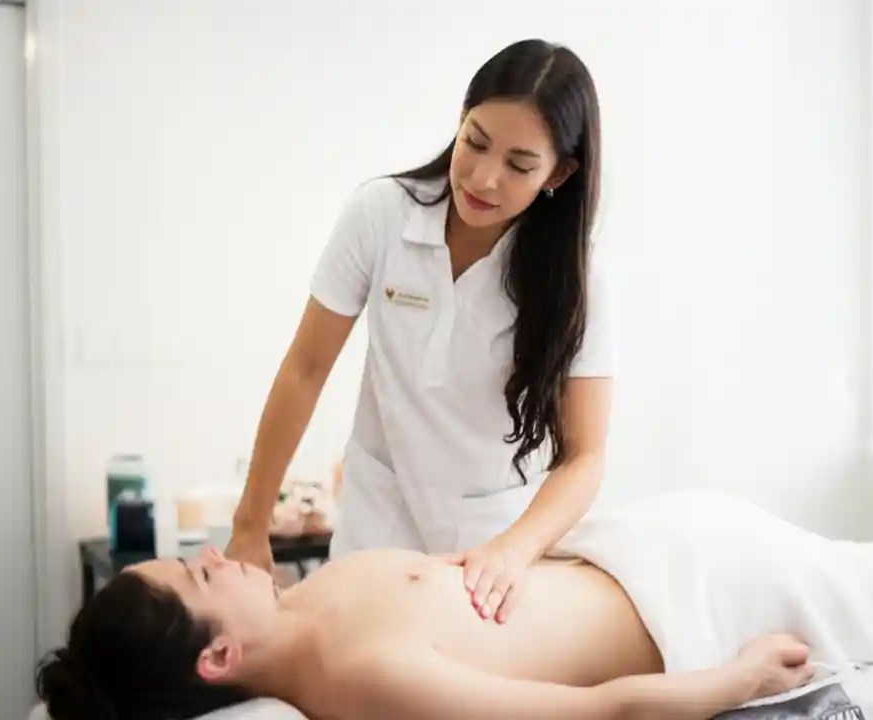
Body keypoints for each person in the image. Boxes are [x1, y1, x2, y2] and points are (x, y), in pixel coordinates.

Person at [36, 491, 873, 720]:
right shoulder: (355, 681)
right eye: (193, 578)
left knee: (869, 567)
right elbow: (589, 718)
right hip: (691, 605)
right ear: (215, 660)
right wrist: (732, 680)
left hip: (641, 545)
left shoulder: (331, 589)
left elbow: (479, 570)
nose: (213, 559)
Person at [225, 38, 614, 624]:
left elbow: (585, 456)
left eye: (519, 165)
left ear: (558, 172)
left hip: (491, 551)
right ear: (460, 120)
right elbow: (305, 370)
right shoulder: (381, 214)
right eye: (475, 142)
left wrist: (512, 552)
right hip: (375, 527)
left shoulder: (576, 278)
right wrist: (250, 526)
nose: (483, 178)